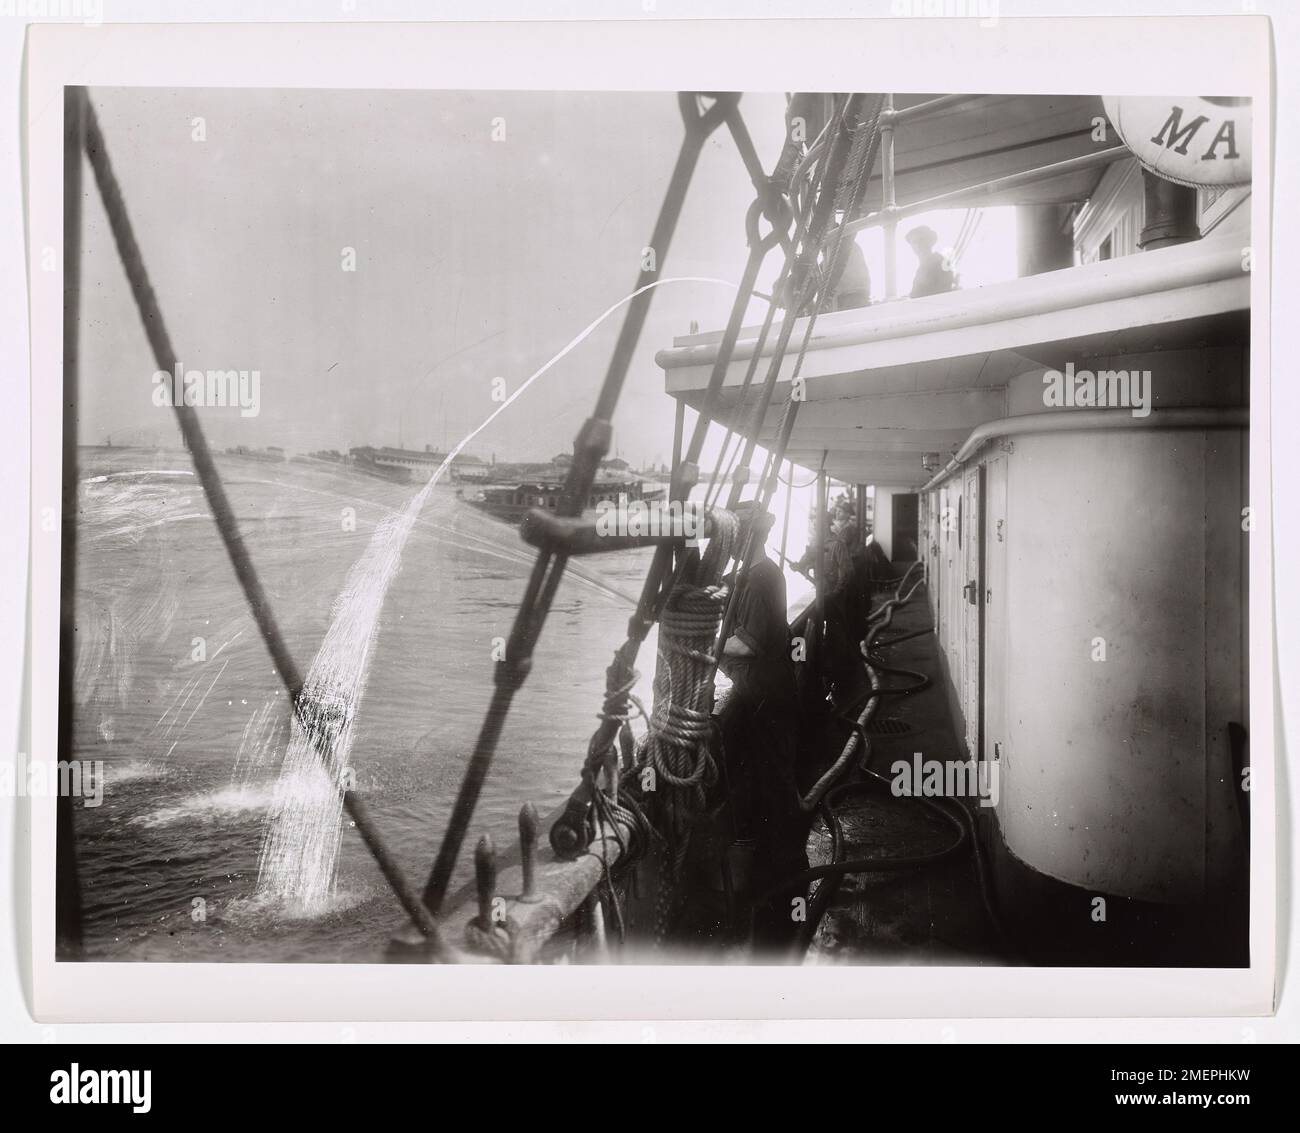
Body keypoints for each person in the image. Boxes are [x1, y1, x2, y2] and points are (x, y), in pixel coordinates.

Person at [718, 502, 808, 951]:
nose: (728, 540)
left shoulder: (758, 578)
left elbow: (748, 644)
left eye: (733, 533)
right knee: (773, 779)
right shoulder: (762, 573)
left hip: (765, 699)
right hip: (770, 696)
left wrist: (712, 641)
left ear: (744, 535)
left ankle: (788, 876)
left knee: (774, 781)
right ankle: (784, 865)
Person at [905, 225, 958, 298]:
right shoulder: (921, 268)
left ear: (930, 242)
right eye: (914, 242)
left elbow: (944, 293)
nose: (918, 245)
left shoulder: (941, 262)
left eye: (921, 240)